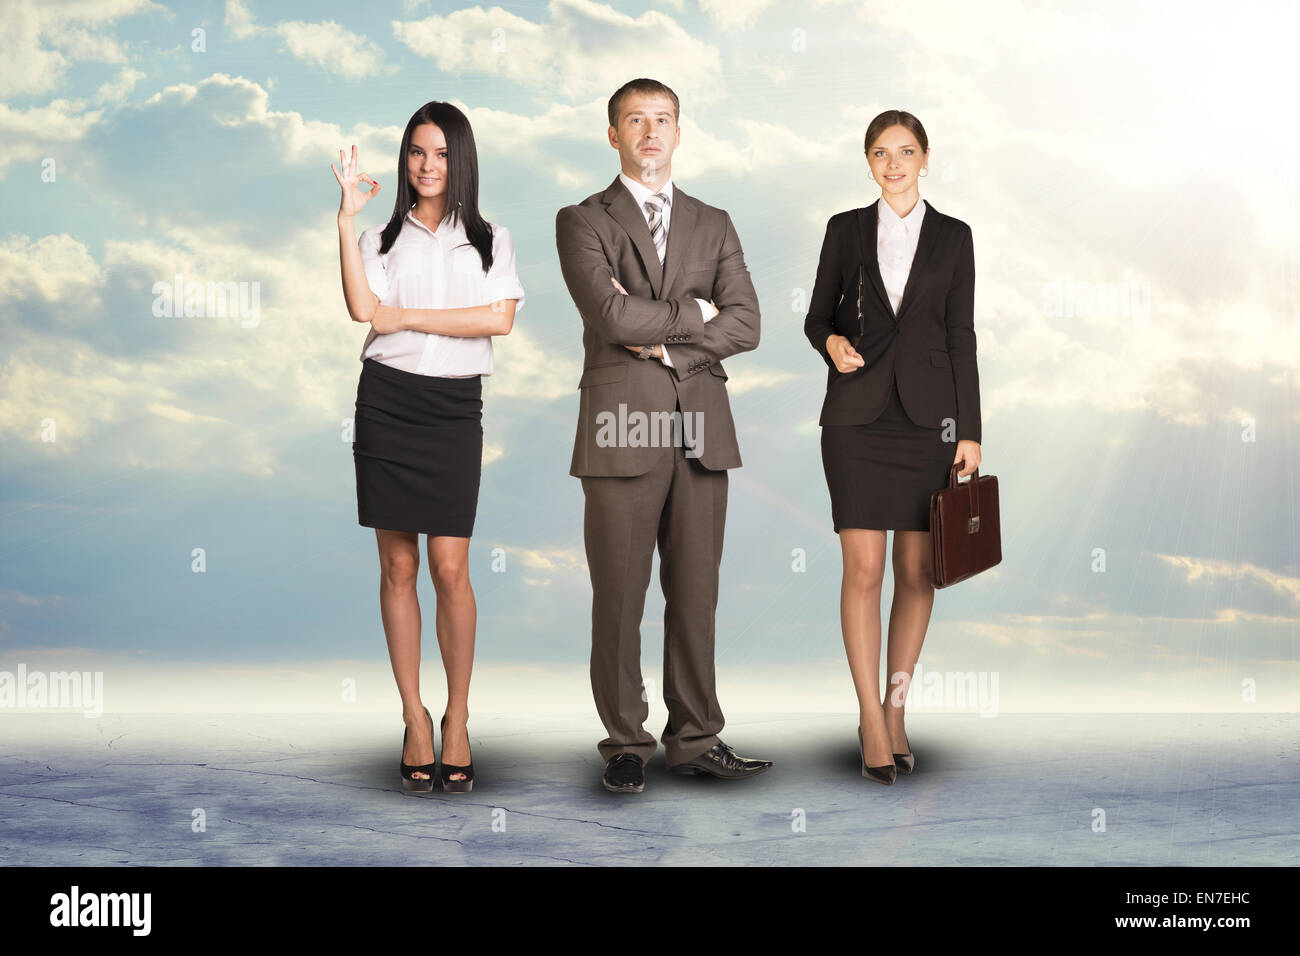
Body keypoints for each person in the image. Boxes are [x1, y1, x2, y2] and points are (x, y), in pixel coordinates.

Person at [555, 78, 771, 793]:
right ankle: (625, 742)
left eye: (663, 119)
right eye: (634, 120)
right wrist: (694, 310)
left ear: (679, 132)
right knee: (619, 594)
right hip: (621, 426)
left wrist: (669, 343)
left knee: (696, 592)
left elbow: (747, 323)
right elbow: (609, 320)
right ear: (612, 134)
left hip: (702, 427)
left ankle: (696, 739)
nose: (650, 131)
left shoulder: (715, 222)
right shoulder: (582, 220)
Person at [333, 101, 525, 794]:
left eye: (441, 153)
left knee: (450, 567)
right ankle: (414, 717)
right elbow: (363, 312)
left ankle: (458, 718)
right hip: (387, 401)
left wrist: (409, 315)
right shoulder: (379, 240)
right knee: (397, 565)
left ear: (461, 159)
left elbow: (497, 319)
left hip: (451, 408)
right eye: (417, 152)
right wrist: (346, 218)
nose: (427, 165)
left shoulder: (491, 238)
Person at [803, 110, 982, 786]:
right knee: (864, 572)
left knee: (917, 573)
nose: (894, 163)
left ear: (926, 157)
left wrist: (971, 430)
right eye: (881, 152)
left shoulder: (956, 237)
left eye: (906, 151)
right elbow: (816, 313)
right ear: (868, 162)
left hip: (931, 424)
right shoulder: (845, 229)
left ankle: (896, 709)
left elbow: (961, 335)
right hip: (855, 419)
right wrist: (830, 342)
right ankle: (869, 720)